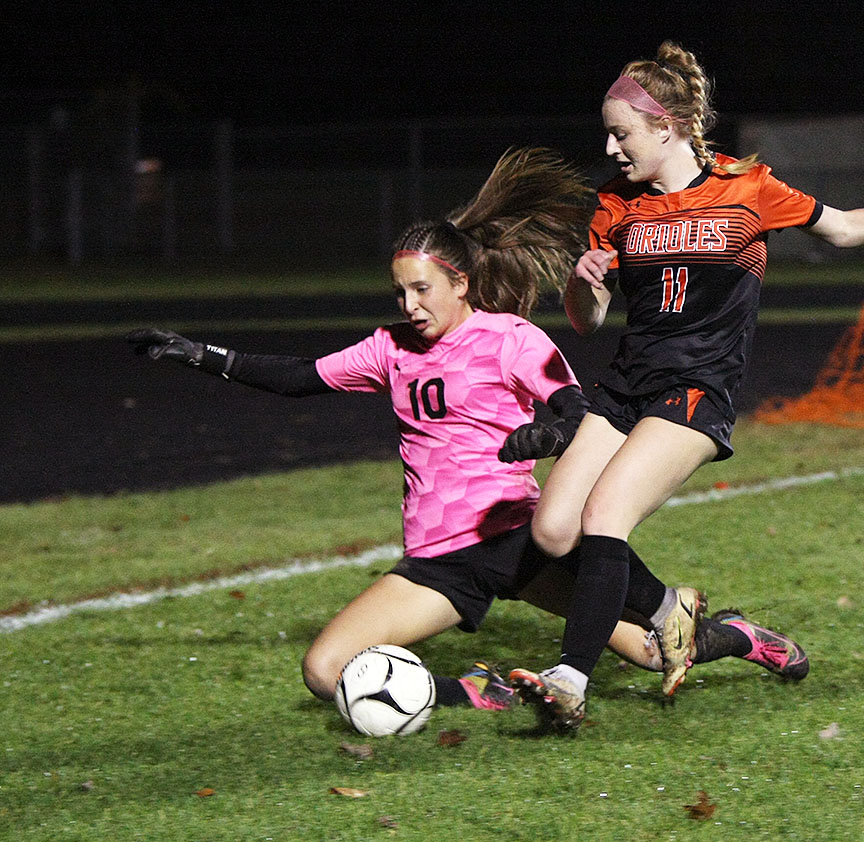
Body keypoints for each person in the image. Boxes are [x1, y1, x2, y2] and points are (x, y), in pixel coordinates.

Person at [127, 147, 757, 732]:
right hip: (439, 561)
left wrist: (545, 436)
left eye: (421, 289)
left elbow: (577, 414)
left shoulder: (511, 338)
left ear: (461, 284)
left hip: (516, 539)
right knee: (323, 669)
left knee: (652, 650)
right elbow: (300, 377)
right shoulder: (389, 348)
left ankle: (747, 640)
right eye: (400, 291)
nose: (409, 305)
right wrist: (201, 355)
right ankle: (483, 691)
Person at [511, 42, 864, 731]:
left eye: (622, 133)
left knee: (604, 517)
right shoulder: (615, 203)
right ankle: (683, 614)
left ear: (666, 126)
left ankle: (570, 681)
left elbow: (843, 228)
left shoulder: (748, 188)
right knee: (553, 531)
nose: (611, 148)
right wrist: (582, 285)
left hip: (696, 390)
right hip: (624, 388)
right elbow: (589, 321)